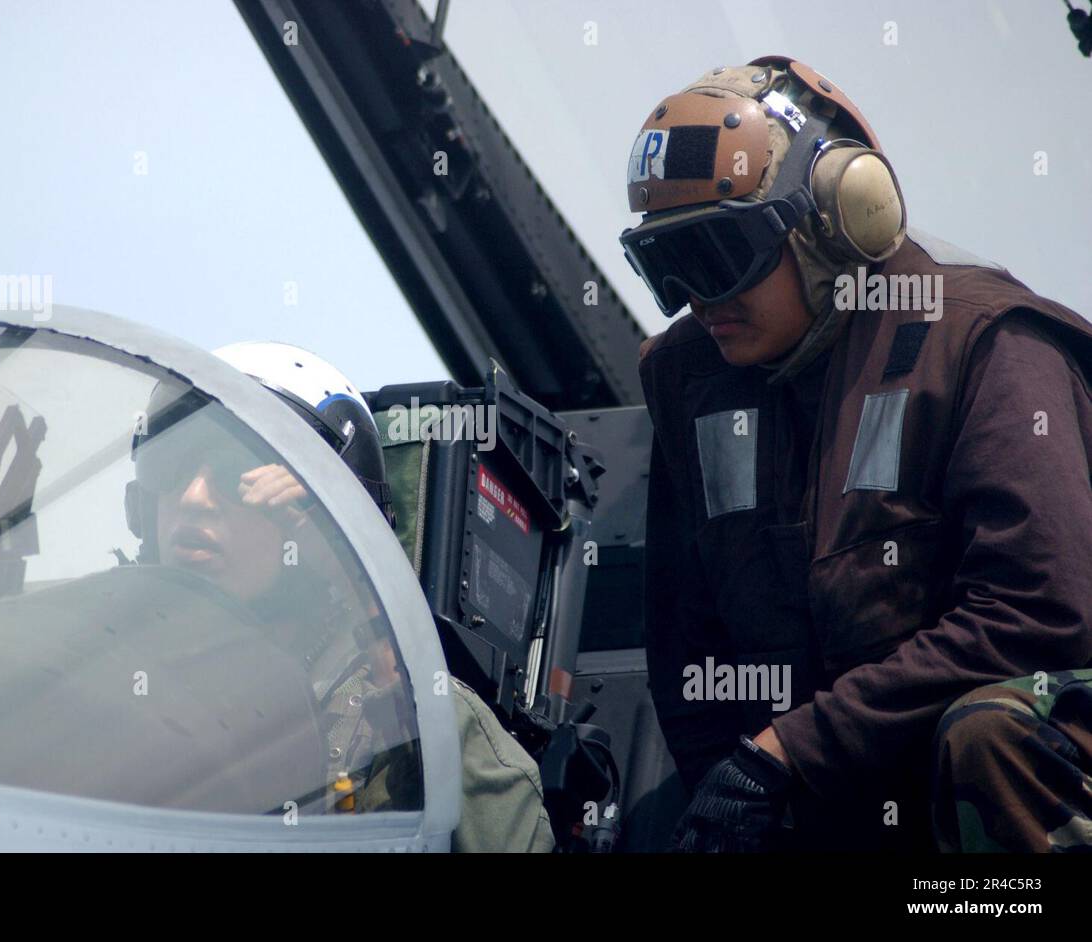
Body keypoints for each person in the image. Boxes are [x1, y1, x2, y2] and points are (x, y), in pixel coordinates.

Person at [620, 56, 1092, 851]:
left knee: (991, 737)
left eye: (719, 256)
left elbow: (1043, 615)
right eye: (667, 268)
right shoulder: (691, 380)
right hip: (849, 793)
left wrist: (788, 754)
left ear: (839, 215)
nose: (699, 299)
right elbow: (690, 664)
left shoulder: (983, 343)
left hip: (1033, 754)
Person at [126, 341, 553, 852]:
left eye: (232, 467)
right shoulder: (99, 683)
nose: (194, 498)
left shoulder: (420, 727)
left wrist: (352, 571)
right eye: (171, 462)